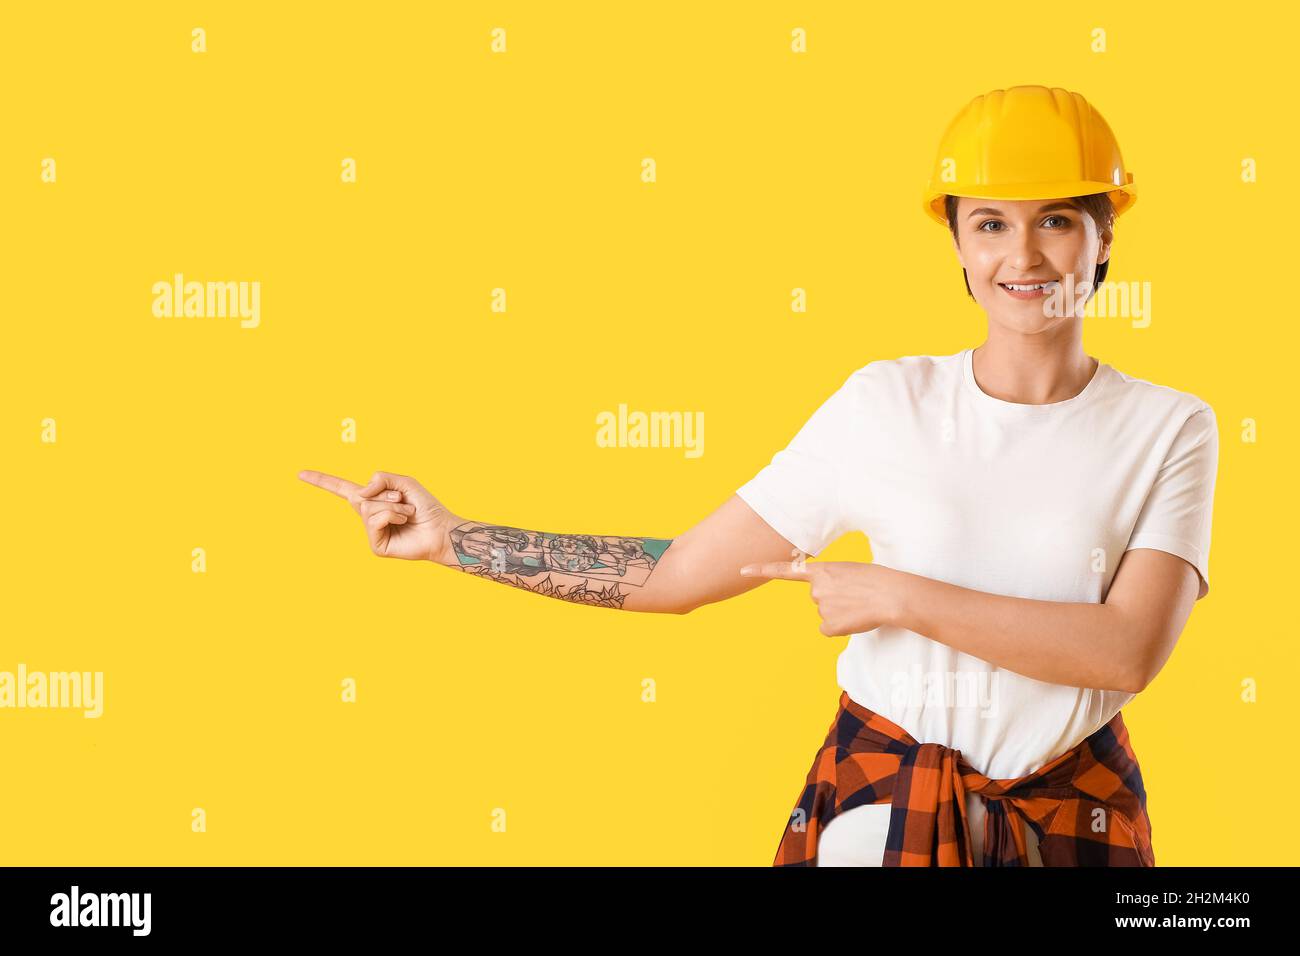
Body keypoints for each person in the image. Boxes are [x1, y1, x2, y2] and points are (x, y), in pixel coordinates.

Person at [299, 85, 1218, 867]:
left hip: (1074, 813)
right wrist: (457, 539)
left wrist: (899, 595)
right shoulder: (882, 404)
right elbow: (678, 573)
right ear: (957, 245)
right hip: (880, 807)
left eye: (1056, 219)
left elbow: (1126, 650)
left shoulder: (1170, 427)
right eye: (991, 223)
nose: (1023, 257)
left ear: (1103, 237)